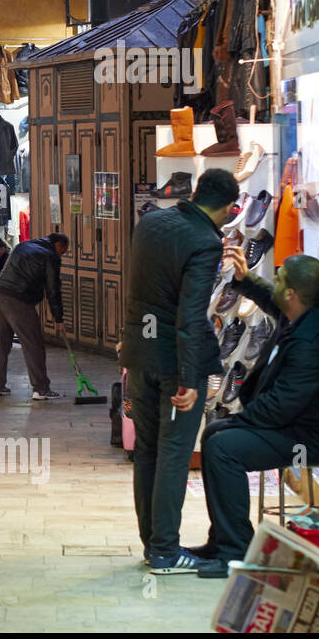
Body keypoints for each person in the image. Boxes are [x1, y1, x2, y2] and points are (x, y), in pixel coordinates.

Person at [194, 252, 319, 577]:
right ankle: (222, 540)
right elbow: (270, 299)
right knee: (215, 434)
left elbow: (282, 404)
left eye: (279, 279)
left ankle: (236, 552)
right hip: (292, 424)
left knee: (224, 446)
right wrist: (245, 279)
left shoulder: (313, 343)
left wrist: (238, 421)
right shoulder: (307, 313)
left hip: (307, 438)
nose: (274, 282)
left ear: (291, 293)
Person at [119, 168, 237, 574]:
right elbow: (189, 316)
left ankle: (153, 544)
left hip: (140, 353)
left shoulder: (151, 221)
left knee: (148, 451)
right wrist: (189, 378)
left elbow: (140, 288)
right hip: (176, 362)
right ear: (225, 208)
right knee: (174, 454)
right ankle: (166, 552)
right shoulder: (206, 241)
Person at [0, 232, 69, 400]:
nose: (62, 254)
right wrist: (59, 318)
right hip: (18, 300)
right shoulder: (50, 255)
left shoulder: (23, 245)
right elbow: (53, 289)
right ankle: (41, 388)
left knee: (2, 342)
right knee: (33, 343)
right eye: (64, 251)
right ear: (59, 245)